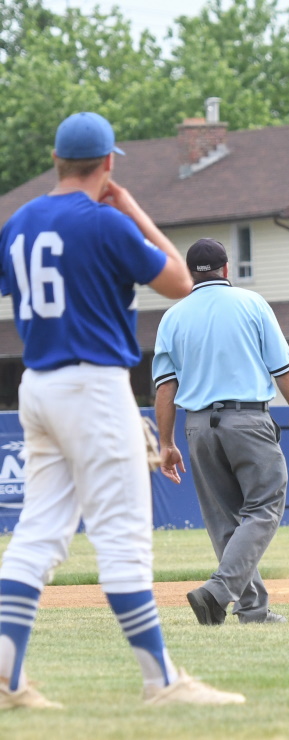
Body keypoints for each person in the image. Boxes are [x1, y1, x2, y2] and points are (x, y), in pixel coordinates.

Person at [0, 112, 244, 709]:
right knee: (124, 540)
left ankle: (5, 680)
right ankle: (161, 682)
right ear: (108, 164)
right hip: (93, 386)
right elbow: (182, 282)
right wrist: (132, 209)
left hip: (39, 384)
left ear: (56, 161)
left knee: (36, 536)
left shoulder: (19, 222)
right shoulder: (105, 220)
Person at [153, 238, 289, 626]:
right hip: (247, 419)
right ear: (226, 268)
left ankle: (252, 611)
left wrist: (166, 442)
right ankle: (218, 591)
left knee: (224, 521)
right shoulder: (251, 303)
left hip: (198, 426)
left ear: (191, 273)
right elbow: (283, 368)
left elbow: (165, 388)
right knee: (265, 505)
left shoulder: (172, 317)